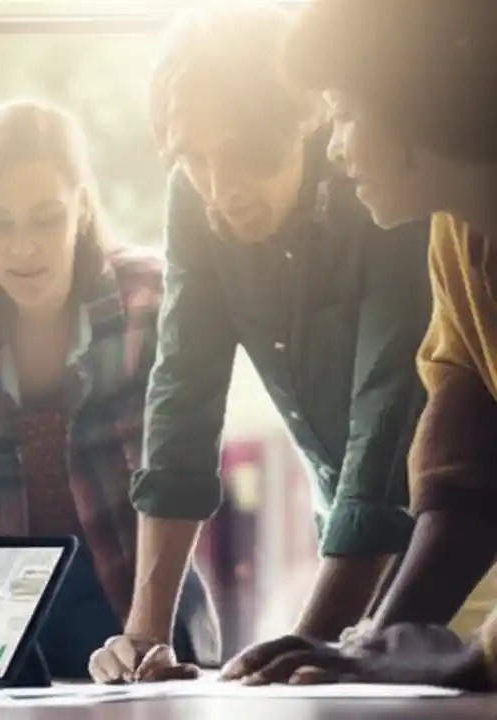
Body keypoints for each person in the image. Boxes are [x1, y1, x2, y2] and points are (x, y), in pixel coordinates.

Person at [89, 2, 433, 683]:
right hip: (356, 546)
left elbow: (387, 414)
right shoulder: (197, 197)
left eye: (244, 152)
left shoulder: (384, 185)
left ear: (304, 118)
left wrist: (307, 644)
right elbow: (182, 396)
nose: (222, 189)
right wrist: (143, 637)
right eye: (193, 157)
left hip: (462, 544)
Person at [215, 0, 497, 689]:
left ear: (412, 106)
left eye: (343, 111)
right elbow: (466, 465)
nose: (335, 148)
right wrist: (374, 646)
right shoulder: (456, 234)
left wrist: (480, 654)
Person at [0, 99, 221, 679]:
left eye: (46, 218)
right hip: (13, 622)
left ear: (82, 208)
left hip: (148, 595)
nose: (23, 248)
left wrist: (144, 632)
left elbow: (179, 469)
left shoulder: (150, 305)